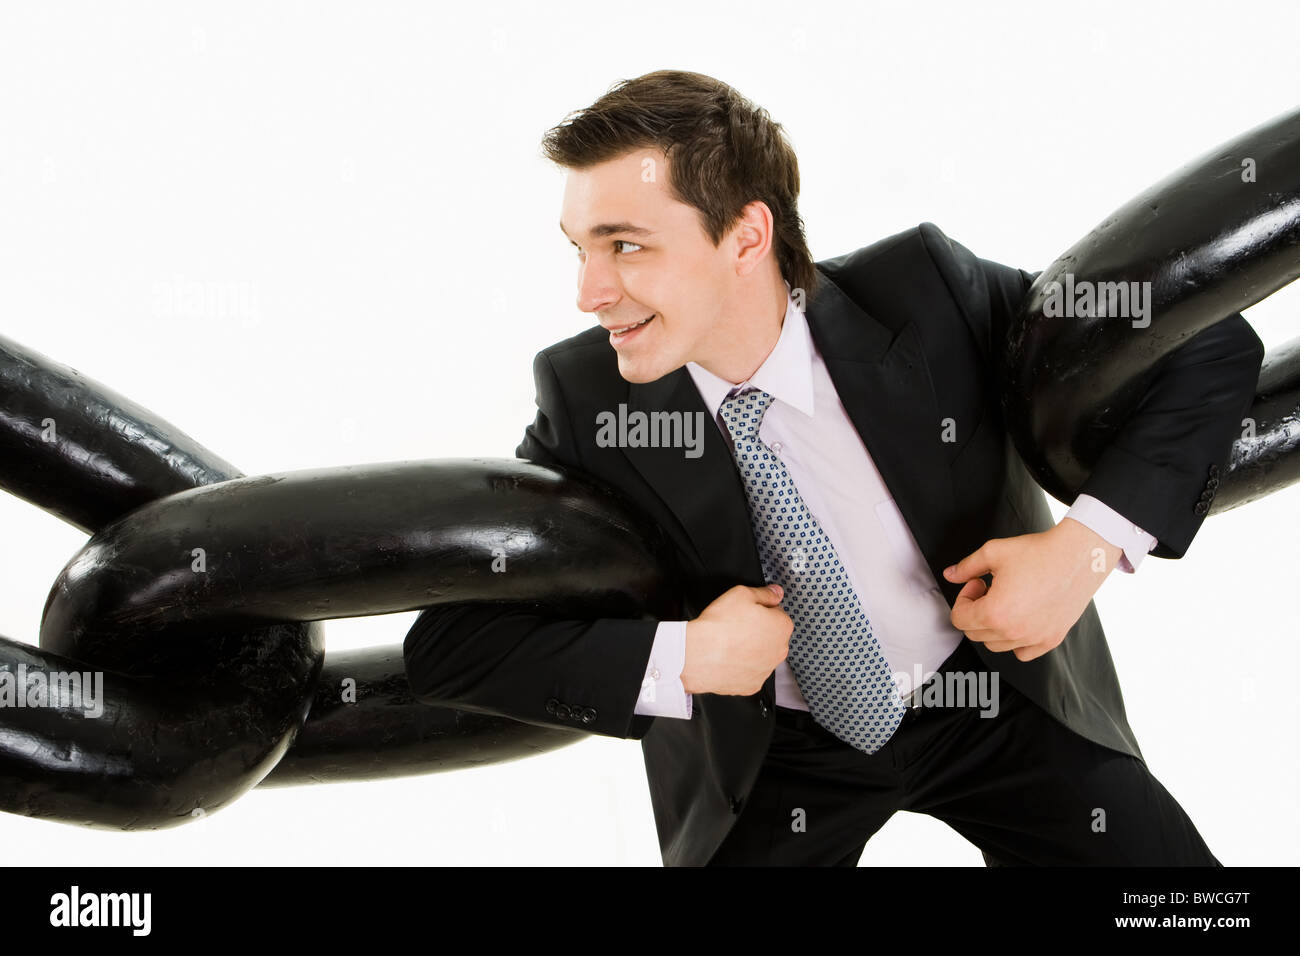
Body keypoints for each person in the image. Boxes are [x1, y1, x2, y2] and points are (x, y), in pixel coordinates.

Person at [402, 70, 1264, 866]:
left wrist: (1085, 549)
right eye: (579, 249)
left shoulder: (924, 294)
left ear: (747, 236)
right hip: (774, 754)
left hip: (991, 694)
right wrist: (686, 656)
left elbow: (1203, 337)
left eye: (625, 246)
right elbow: (453, 646)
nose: (589, 293)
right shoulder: (590, 400)